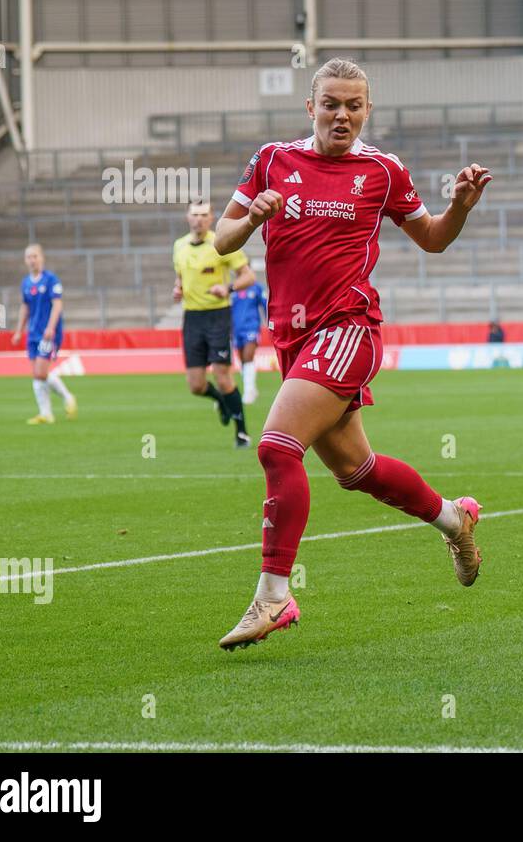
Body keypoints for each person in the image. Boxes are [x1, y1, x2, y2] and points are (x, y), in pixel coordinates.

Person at [211, 57, 492, 650]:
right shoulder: (271, 161)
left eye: (354, 105)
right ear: (310, 107)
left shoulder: (384, 171)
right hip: (293, 338)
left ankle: (273, 596)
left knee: (276, 446)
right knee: (355, 472)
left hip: (348, 328)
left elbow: (433, 239)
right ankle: (452, 517)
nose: (343, 115)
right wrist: (254, 215)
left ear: (368, 110)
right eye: (332, 103)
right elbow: (222, 237)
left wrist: (461, 206)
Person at [172, 200, 255, 446]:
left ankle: (241, 431)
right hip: (192, 318)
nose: (198, 219)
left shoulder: (221, 244)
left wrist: (228, 287)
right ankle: (220, 400)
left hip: (218, 315)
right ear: (188, 217)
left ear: (211, 218)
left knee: (222, 376)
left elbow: (248, 276)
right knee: (196, 385)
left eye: (204, 215)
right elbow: (180, 279)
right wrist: (177, 289)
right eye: (194, 214)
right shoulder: (179, 246)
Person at [12, 245, 77, 424]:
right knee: (37, 374)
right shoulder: (26, 283)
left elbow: (57, 304)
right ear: (25, 260)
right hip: (32, 333)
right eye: (28, 257)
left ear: (42, 258)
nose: (32, 260)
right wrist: (19, 331)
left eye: (35, 256)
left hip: (48, 333)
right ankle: (46, 413)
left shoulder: (51, 280)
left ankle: (67, 397)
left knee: (40, 372)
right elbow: (25, 307)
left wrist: (50, 327)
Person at [231, 276, 268, 404]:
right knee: (242, 360)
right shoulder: (233, 289)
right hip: (236, 329)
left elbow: (265, 305)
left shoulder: (256, 288)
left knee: (248, 356)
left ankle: (249, 391)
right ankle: (251, 389)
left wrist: (269, 322)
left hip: (251, 328)